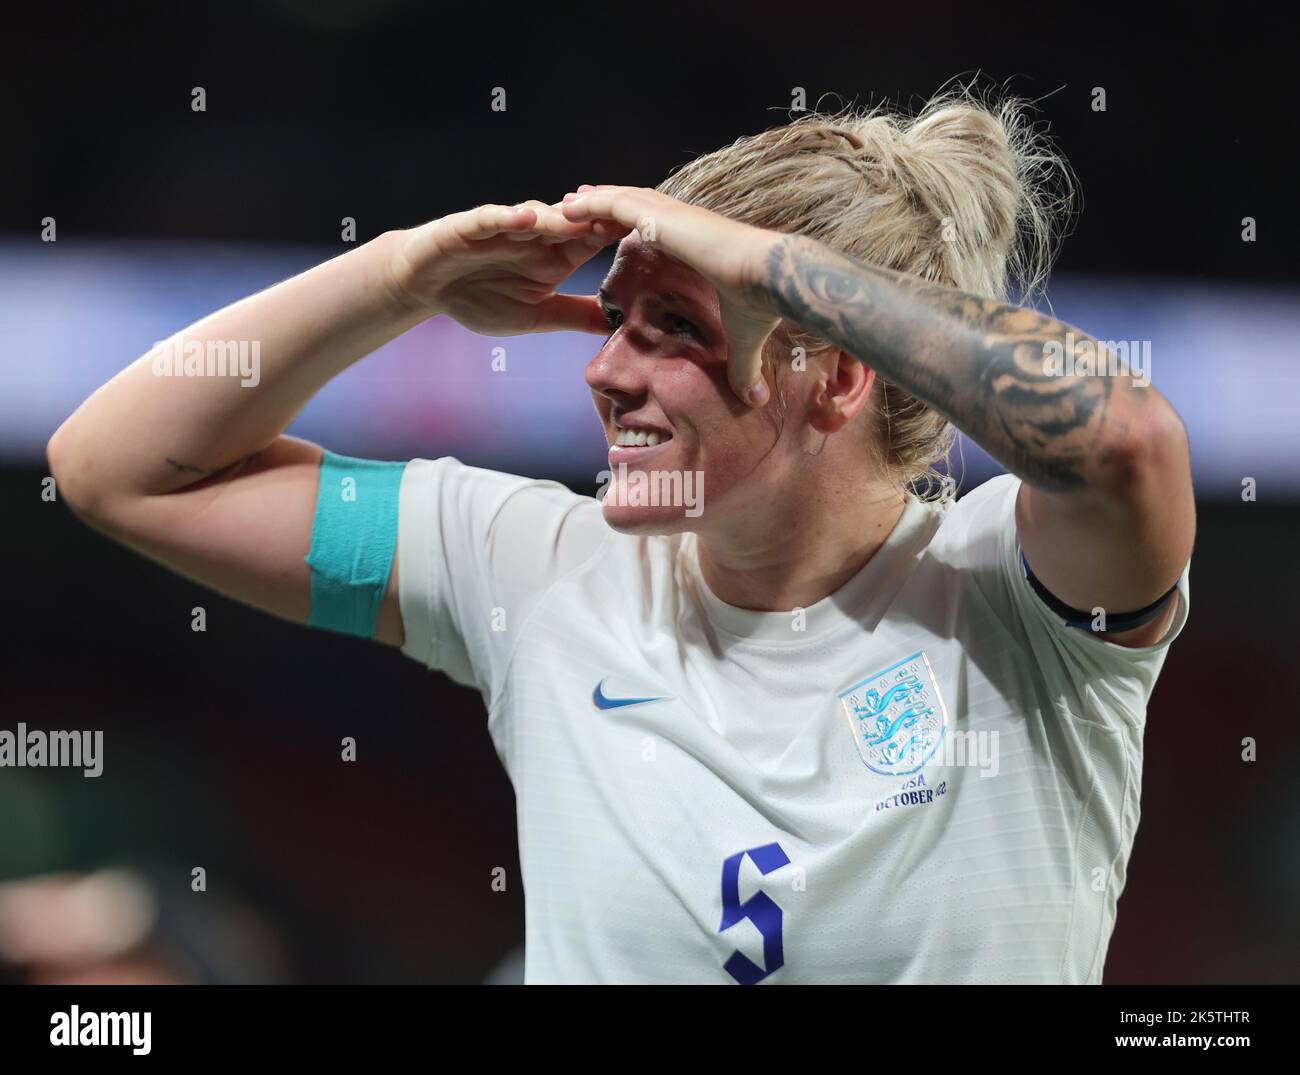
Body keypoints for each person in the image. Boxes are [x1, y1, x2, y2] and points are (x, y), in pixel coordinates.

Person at [48, 88, 1195, 984]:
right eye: (613, 321)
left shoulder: (1015, 594)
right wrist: (398, 276)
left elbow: (1125, 441)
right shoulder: (531, 567)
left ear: (838, 373)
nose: (603, 371)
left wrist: (755, 259)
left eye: (674, 329)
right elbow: (118, 474)